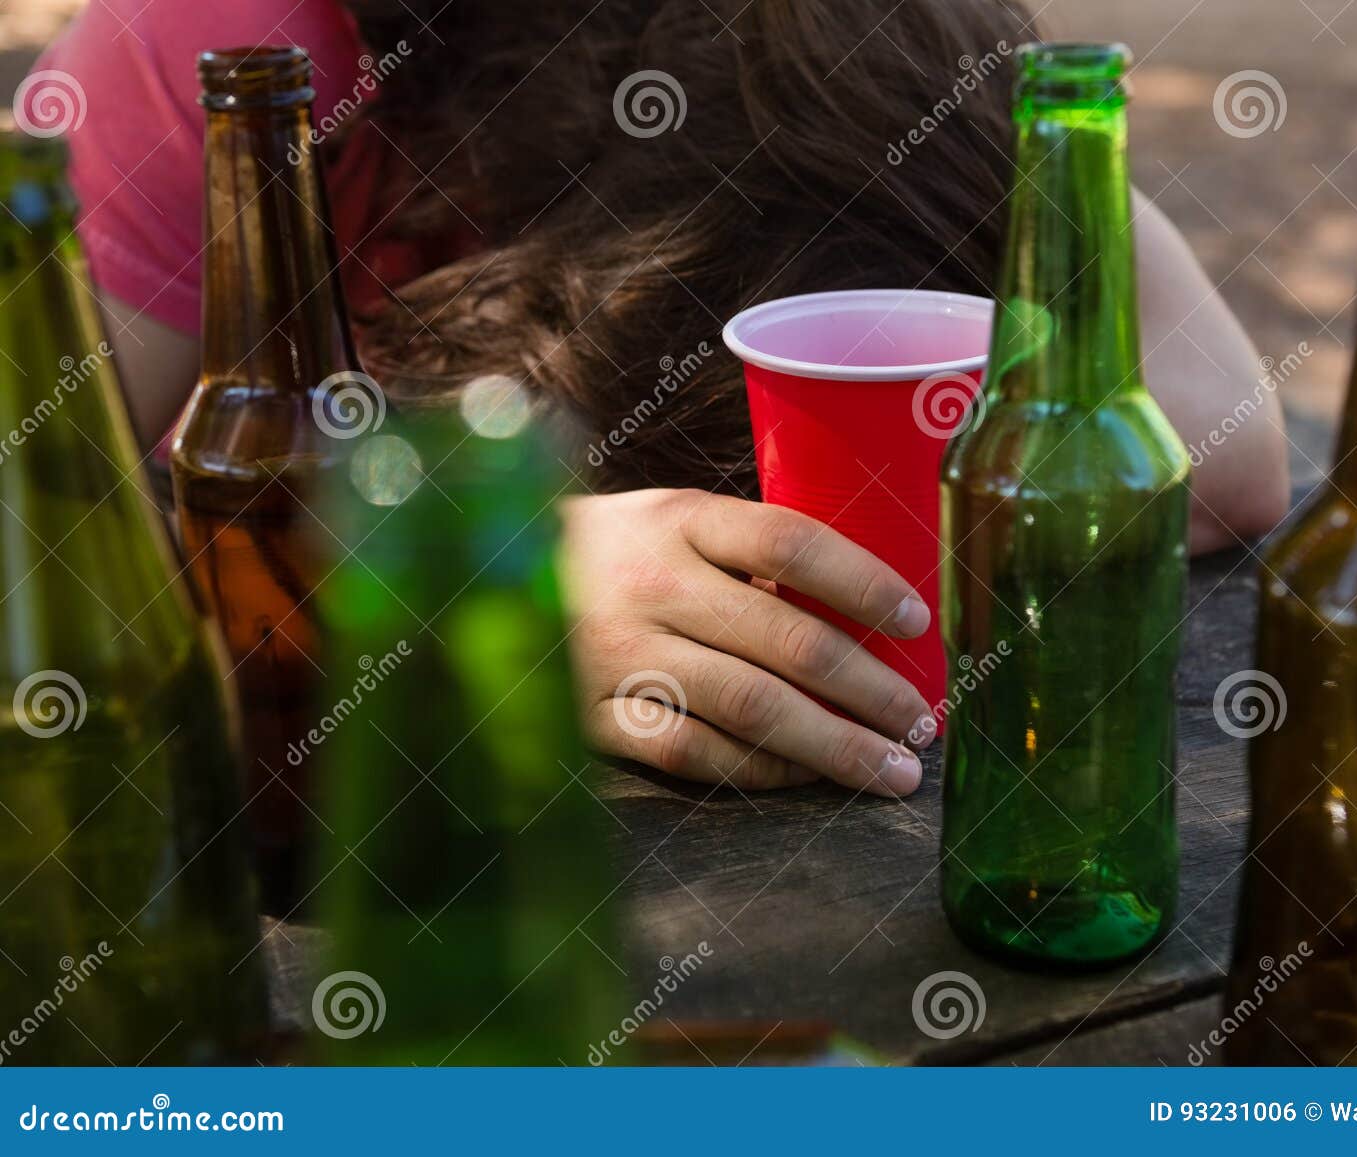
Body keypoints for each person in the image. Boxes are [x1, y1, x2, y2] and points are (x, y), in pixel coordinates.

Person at [38, 0, 1289, 798]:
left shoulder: (906, 66)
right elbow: (32, 527)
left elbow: (1224, 451)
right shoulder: (215, 52)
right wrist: (472, 574)